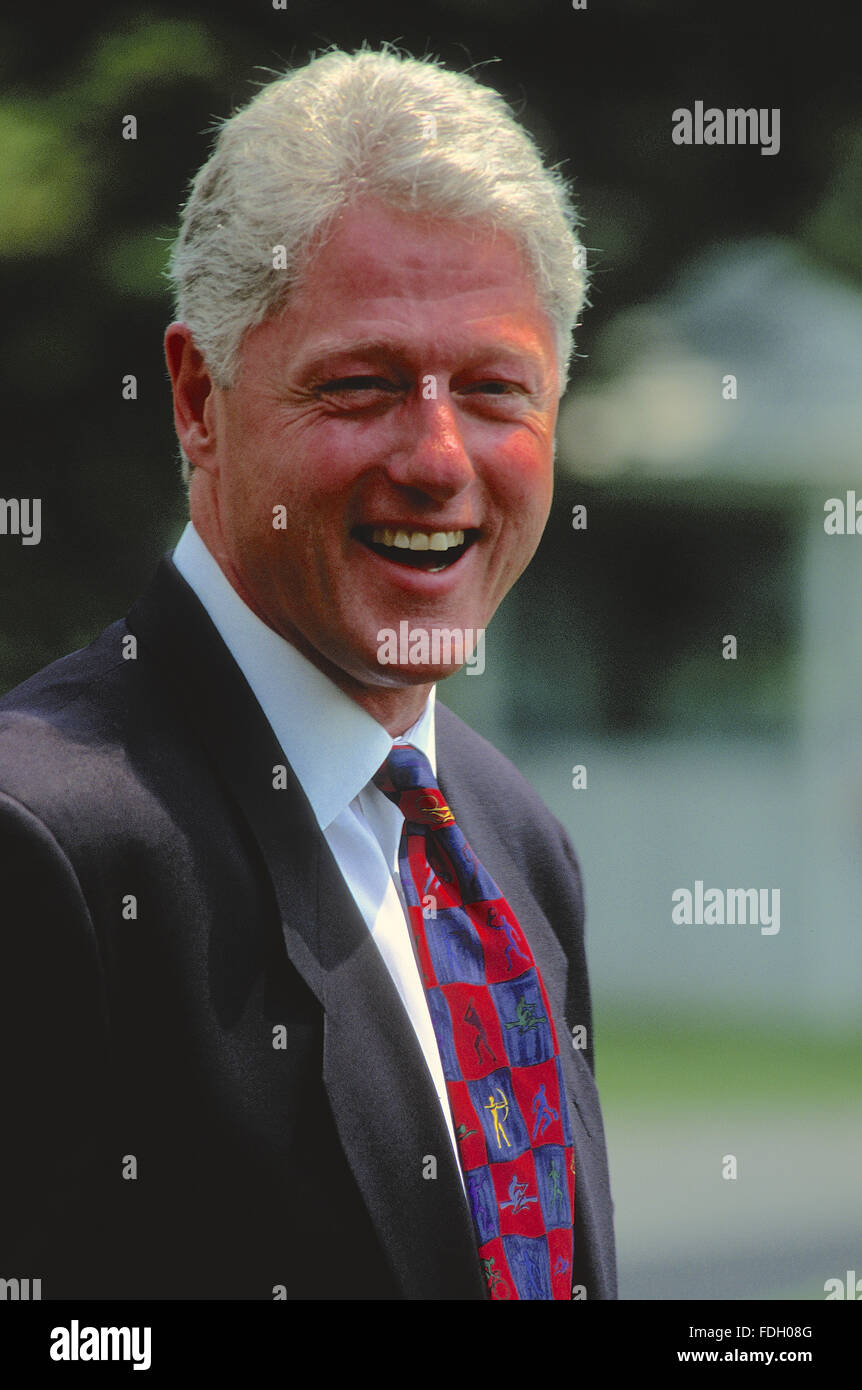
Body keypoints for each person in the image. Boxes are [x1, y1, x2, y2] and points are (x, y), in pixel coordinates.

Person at [0, 47, 616, 1300]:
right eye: (364, 385)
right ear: (196, 399)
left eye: (497, 388)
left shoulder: (511, 842)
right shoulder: (42, 845)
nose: (440, 458)